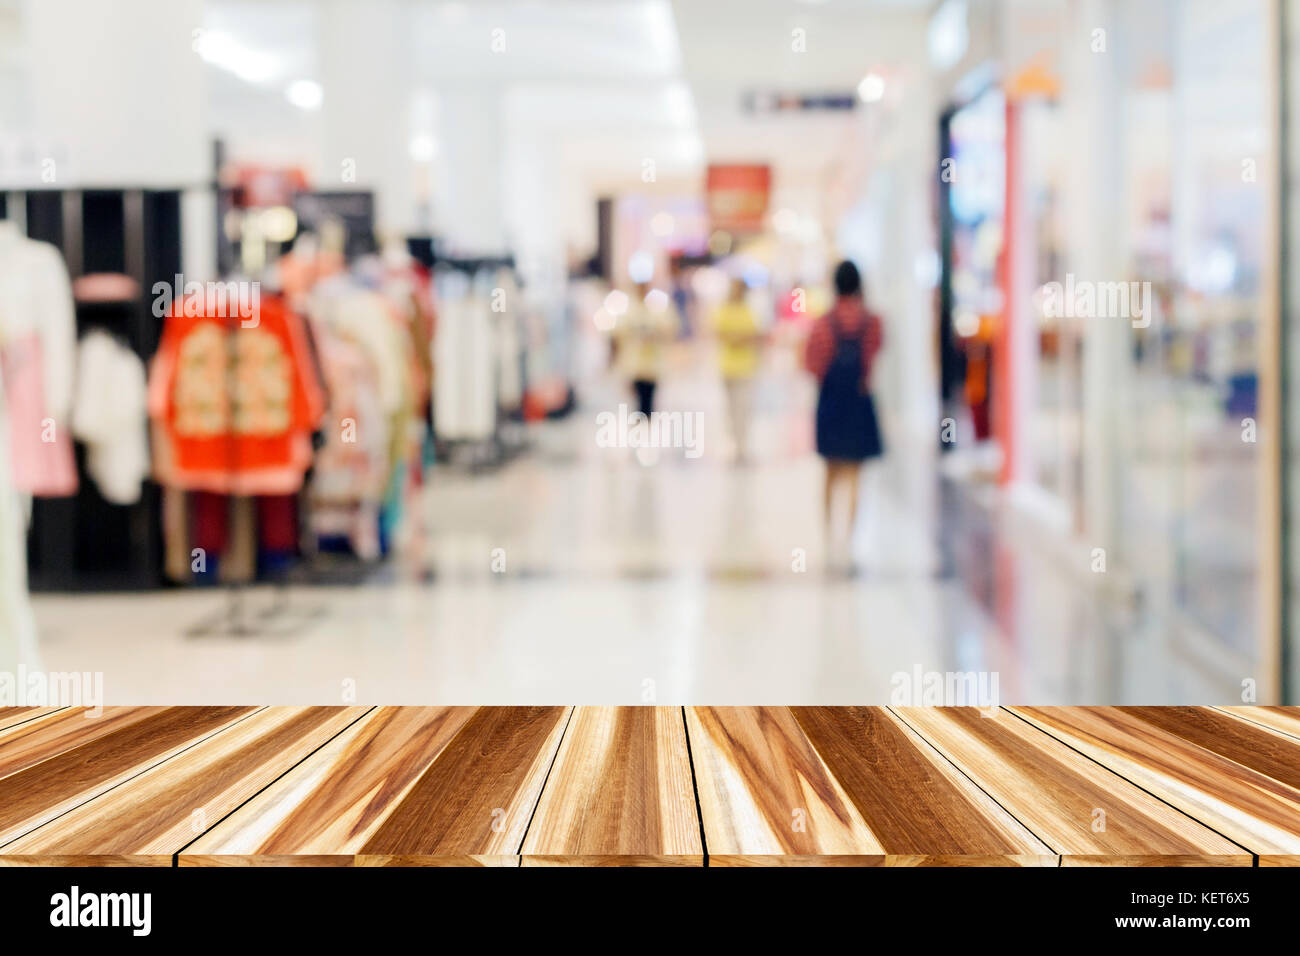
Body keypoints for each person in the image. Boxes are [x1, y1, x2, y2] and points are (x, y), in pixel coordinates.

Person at [803, 260, 884, 558]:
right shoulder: (872, 322)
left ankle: (828, 536)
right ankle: (849, 539)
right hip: (860, 401)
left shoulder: (824, 323)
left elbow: (812, 364)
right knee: (855, 474)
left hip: (832, 402)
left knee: (829, 471)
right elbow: (874, 355)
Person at [711, 278, 763, 463]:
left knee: (743, 408)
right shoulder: (724, 310)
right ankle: (734, 445)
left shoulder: (748, 311)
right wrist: (738, 337)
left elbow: (755, 335)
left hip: (746, 367)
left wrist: (740, 338)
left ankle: (742, 447)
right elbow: (719, 333)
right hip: (728, 367)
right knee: (731, 409)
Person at [616, 282, 674, 418]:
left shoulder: (655, 308)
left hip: (652, 358)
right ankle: (640, 416)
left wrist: (653, 334)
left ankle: (648, 416)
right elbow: (620, 331)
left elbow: (667, 328)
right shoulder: (630, 308)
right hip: (635, 359)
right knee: (637, 391)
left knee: (650, 391)